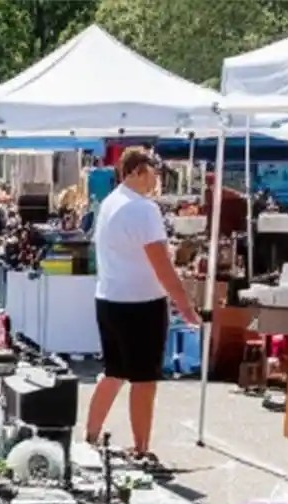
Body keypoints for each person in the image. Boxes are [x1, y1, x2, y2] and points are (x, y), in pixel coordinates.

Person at [85, 148, 200, 462]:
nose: (157, 179)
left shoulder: (111, 202)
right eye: (153, 172)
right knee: (144, 380)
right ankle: (141, 448)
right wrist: (186, 306)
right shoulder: (142, 209)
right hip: (139, 302)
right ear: (136, 171)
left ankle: (90, 435)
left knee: (114, 372)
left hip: (109, 297)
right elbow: (162, 265)